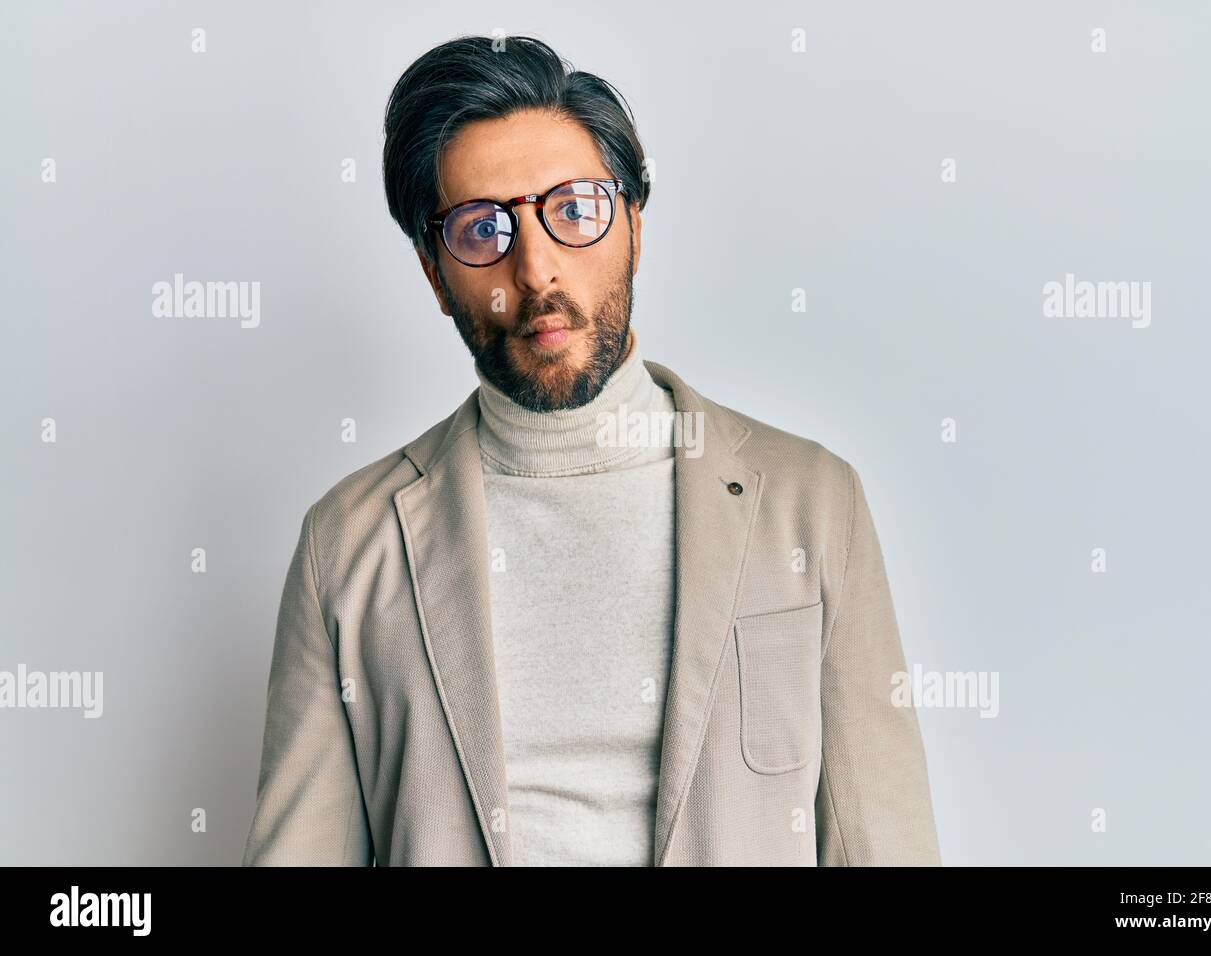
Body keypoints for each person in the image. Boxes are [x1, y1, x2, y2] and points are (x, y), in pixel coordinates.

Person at [242, 34, 940, 866]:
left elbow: (885, 846)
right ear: (435, 275)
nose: (536, 269)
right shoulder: (349, 546)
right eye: (482, 228)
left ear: (633, 227)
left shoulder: (812, 504)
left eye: (574, 209)